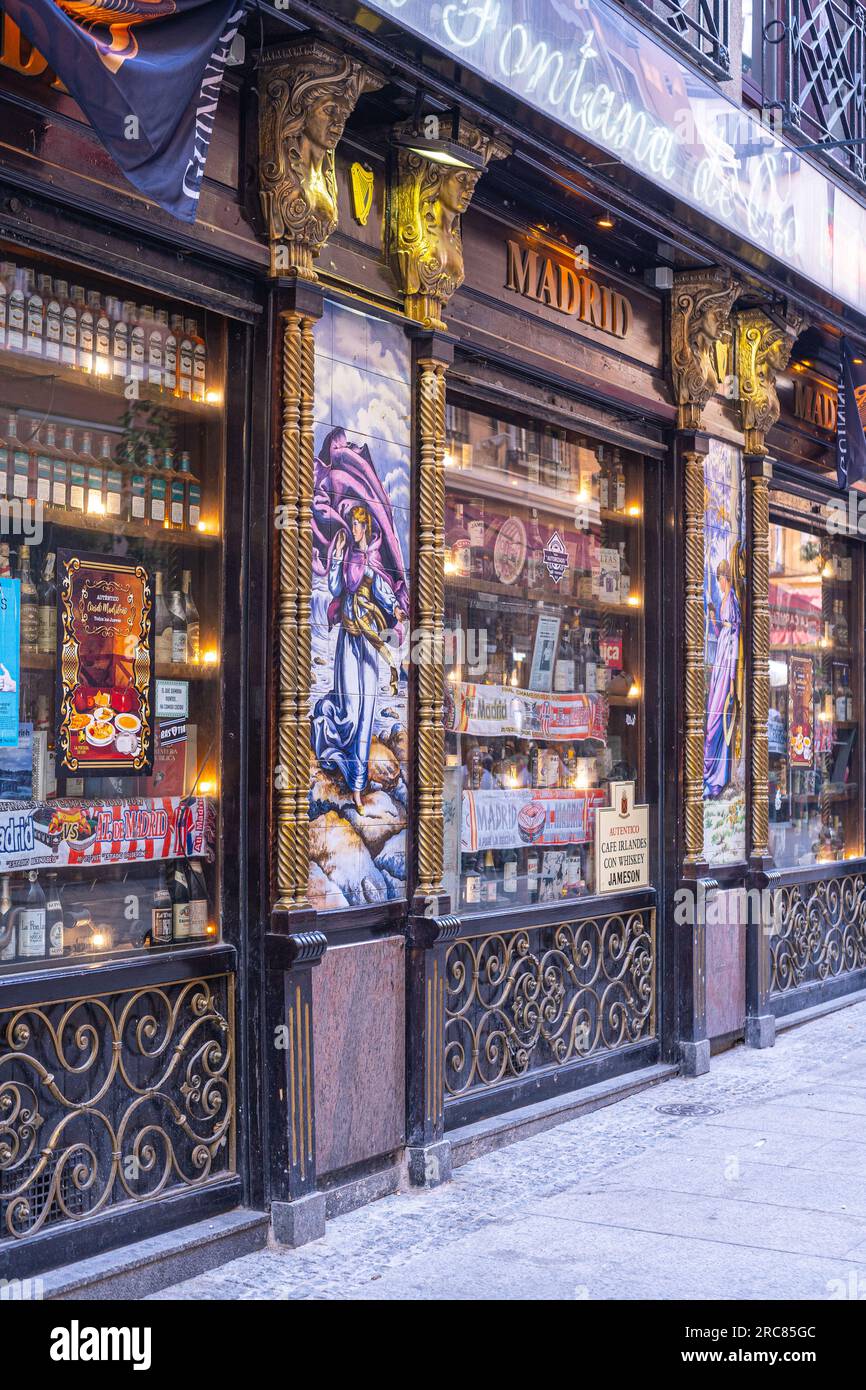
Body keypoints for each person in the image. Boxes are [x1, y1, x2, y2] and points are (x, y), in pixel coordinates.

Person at [311, 504, 406, 813]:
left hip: (367, 644)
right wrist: (336, 557)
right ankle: (339, 759)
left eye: (357, 525)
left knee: (365, 714)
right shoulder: (347, 552)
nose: (353, 529)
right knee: (349, 709)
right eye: (351, 524)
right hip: (346, 643)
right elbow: (336, 587)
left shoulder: (374, 560)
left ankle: (356, 787)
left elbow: (387, 595)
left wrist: (395, 610)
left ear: (367, 528)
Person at [704, 558, 741, 796]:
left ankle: (717, 778)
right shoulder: (725, 601)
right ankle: (712, 776)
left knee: (717, 719)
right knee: (712, 718)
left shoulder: (733, 600)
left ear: (725, 578)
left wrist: (731, 679)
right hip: (720, 662)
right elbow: (721, 633)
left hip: (726, 664)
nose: (719, 585)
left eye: (720, 580)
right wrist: (712, 618)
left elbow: (733, 636)